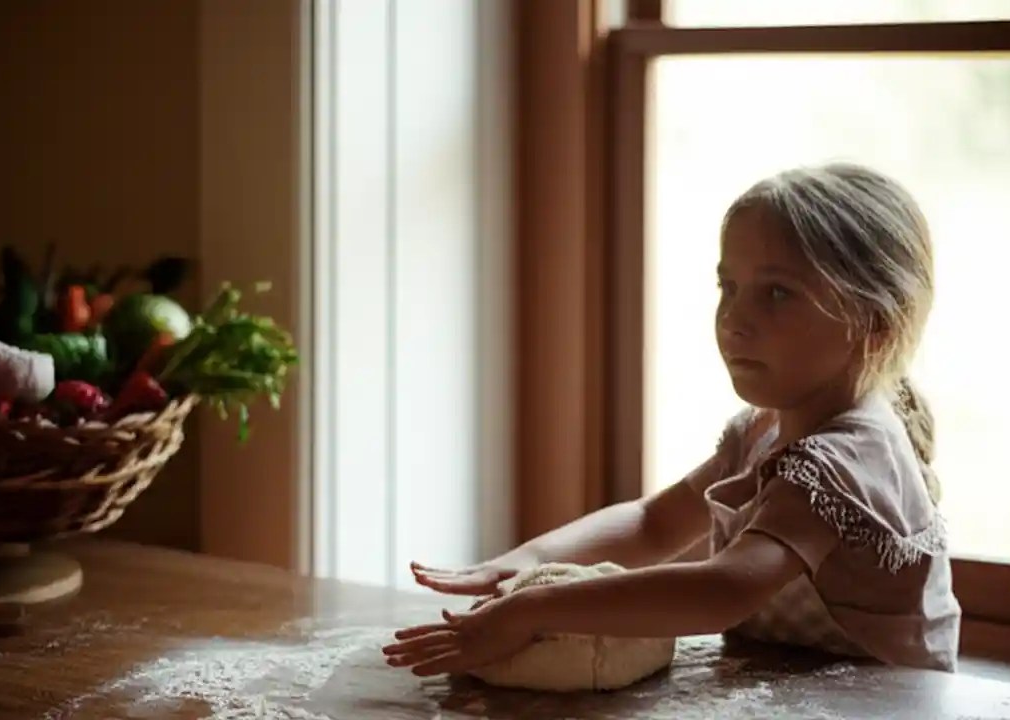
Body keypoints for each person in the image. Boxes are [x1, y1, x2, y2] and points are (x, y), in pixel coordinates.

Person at [382, 162, 961, 677]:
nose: (734, 319)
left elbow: (725, 587)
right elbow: (656, 523)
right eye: (728, 287)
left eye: (778, 293)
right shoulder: (763, 430)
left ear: (873, 324)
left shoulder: (849, 458)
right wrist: (530, 562)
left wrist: (532, 610)